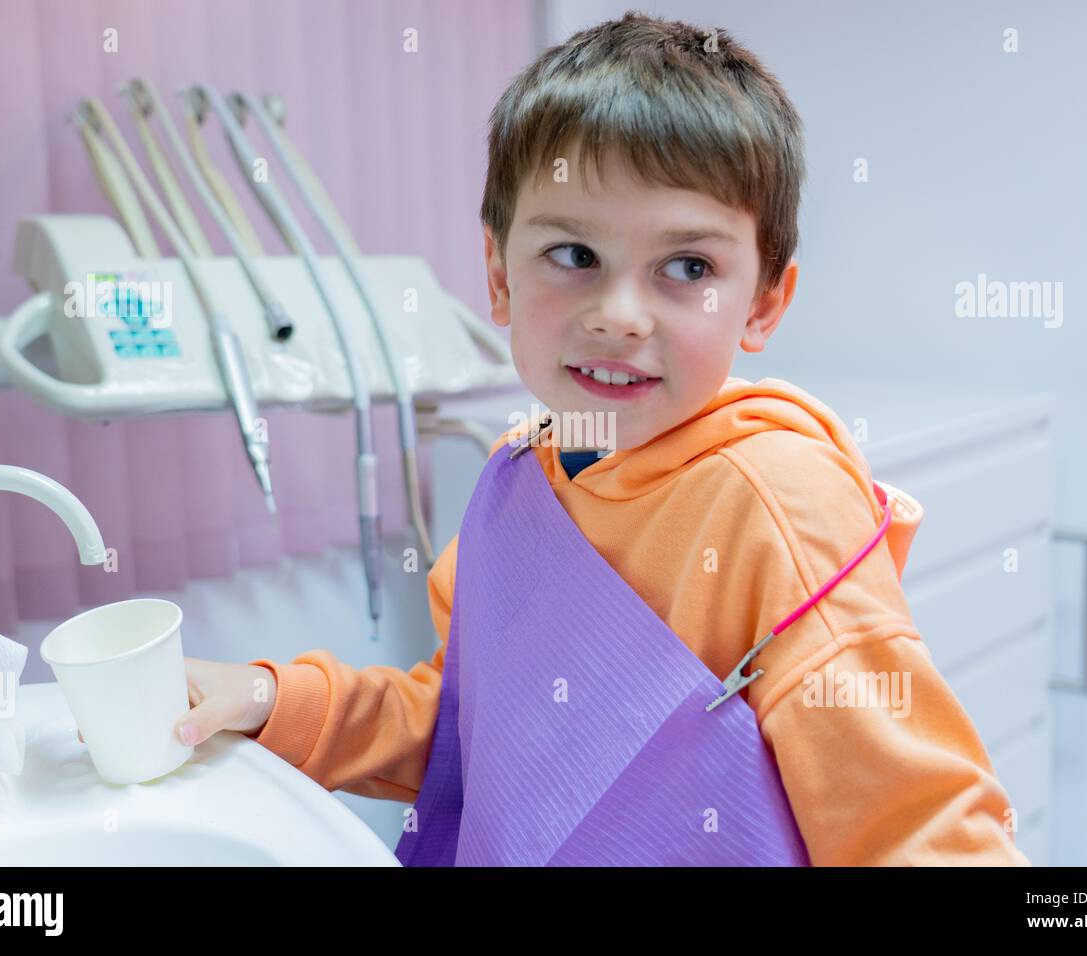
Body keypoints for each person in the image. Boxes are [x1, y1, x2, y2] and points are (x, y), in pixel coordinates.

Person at [162, 11, 1030, 866]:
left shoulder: (775, 508)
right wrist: (274, 699)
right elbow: (475, 735)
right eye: (574, 255)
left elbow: (918, 826)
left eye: (688, 268)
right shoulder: (517, 481)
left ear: (763, 302)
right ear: (499, 278)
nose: (618, 316)